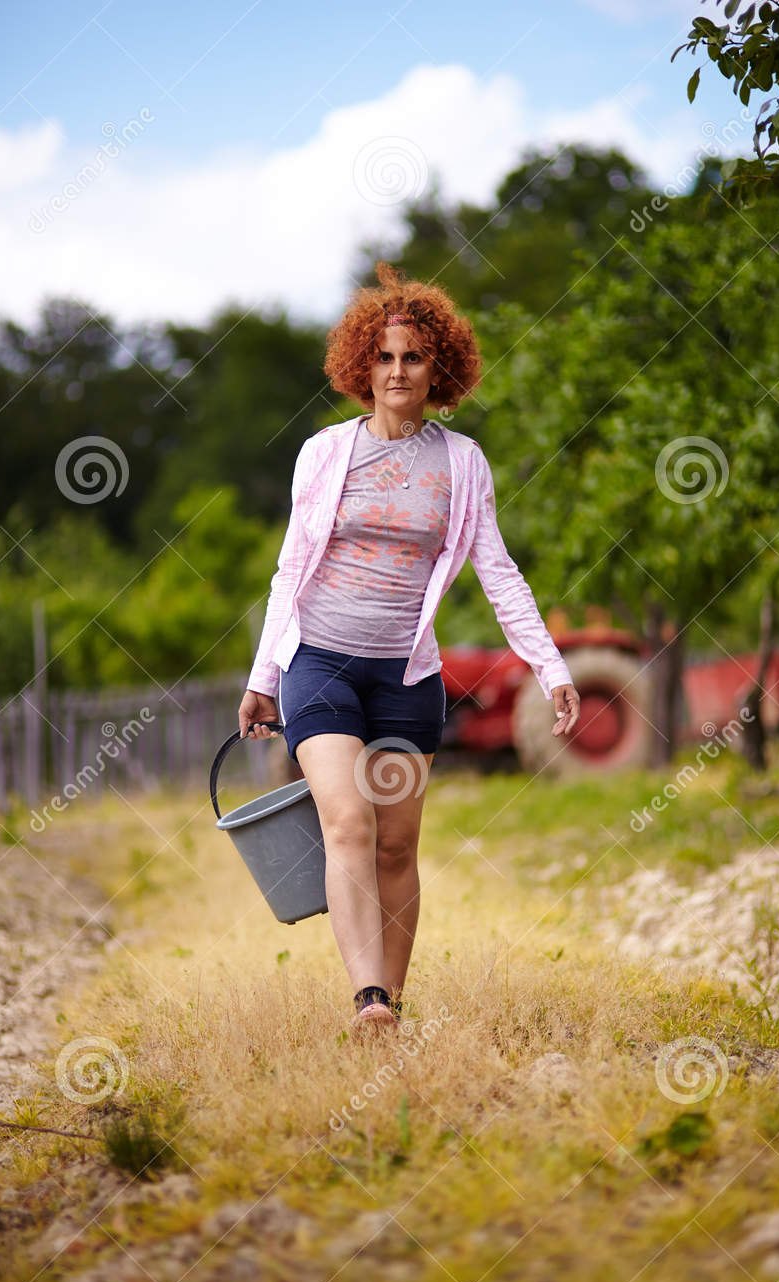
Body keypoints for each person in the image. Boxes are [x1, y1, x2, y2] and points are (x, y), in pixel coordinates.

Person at [238, 262, 580, 1033]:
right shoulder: (325, 453)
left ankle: (389, 1006)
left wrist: (550, 666)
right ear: (365, 365)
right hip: (318, 664)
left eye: (413, 357)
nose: (397, 371)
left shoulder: (462, 464)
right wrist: (264, 675)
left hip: (406, 677)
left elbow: (498, 572)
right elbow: (289, 567)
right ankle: (366, 997)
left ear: (439, 369)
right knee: (349, 824)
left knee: (395, 844)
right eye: (385, 357)